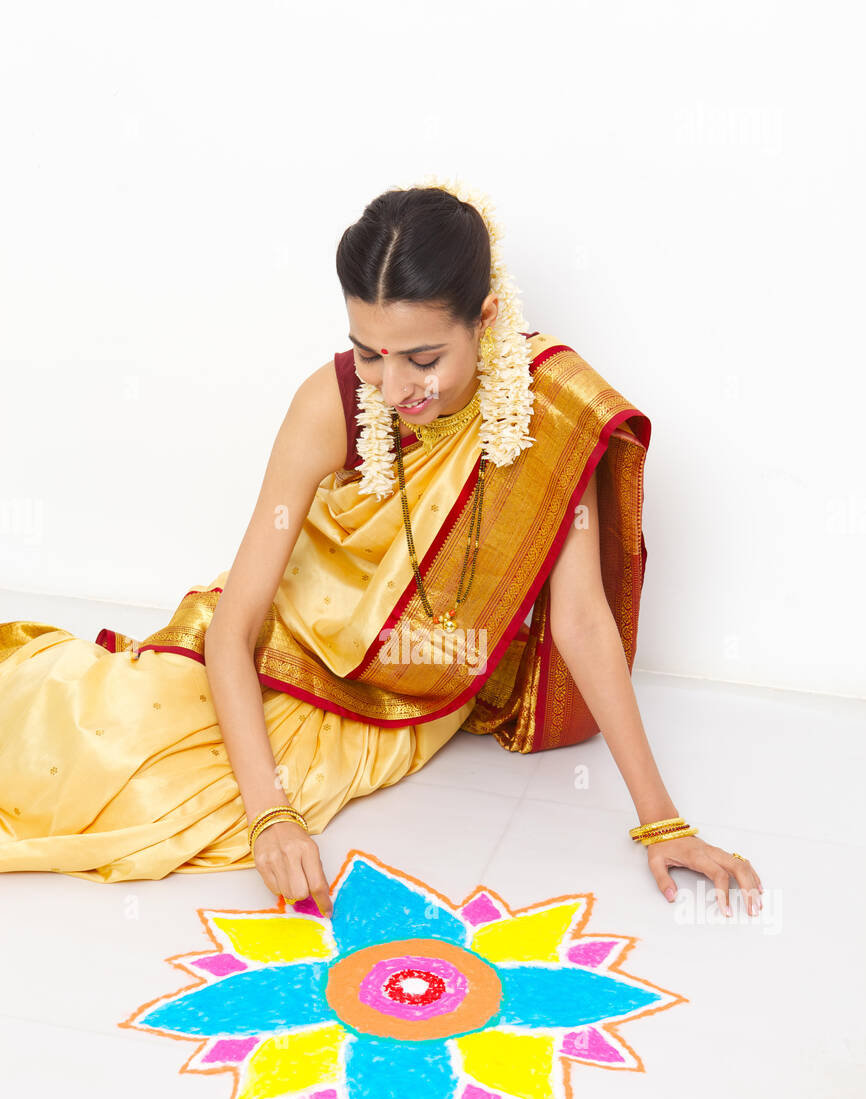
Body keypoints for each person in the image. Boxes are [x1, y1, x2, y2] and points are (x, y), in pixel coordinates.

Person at [0, 178, 762, 921]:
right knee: (102, 744)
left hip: (401, 689)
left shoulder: (544, 411)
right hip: (274, 647)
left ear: (486, 318)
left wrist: (664, 822)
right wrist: (272, 816)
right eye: (369, 353)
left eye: (422, 359)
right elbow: (234, 629)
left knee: (176, 805)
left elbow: (583, 623)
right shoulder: (326, 404)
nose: (394, 386)